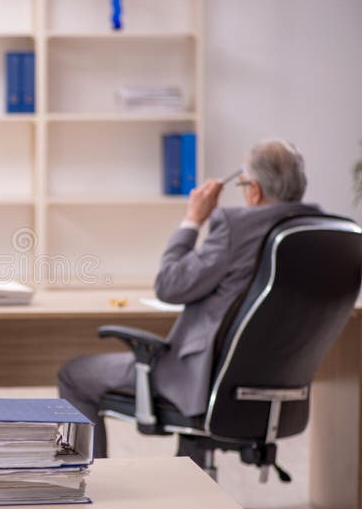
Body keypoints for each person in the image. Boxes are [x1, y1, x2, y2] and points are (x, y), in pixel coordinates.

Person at [58, 139, 321, 464]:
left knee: (74, 375)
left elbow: (170, 285)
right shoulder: (325, 232)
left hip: (205, 381)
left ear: (253, 190)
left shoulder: (237, 227)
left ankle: (89, 484)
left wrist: (193, 219)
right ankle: (197, 490)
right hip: (276, 386)